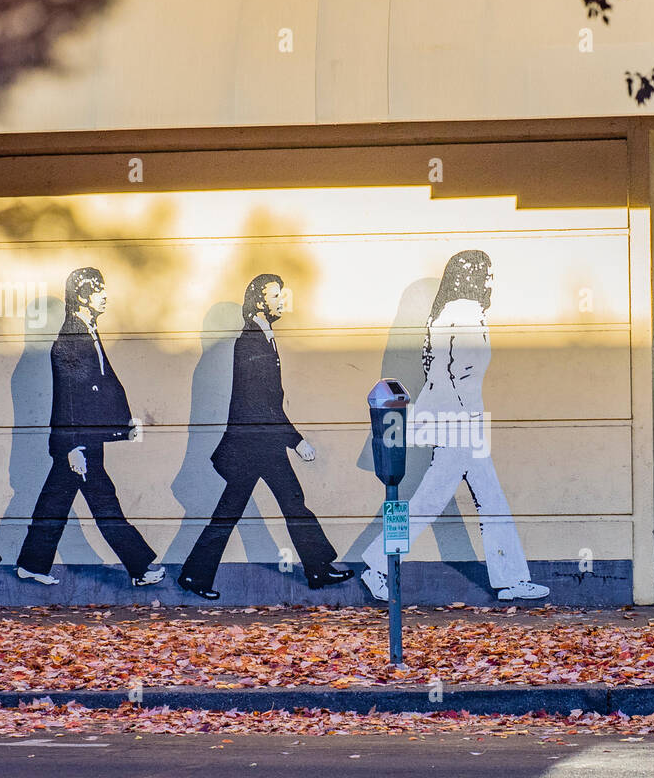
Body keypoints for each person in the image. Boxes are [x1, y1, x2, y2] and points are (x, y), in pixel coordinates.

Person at [360, 251, 548, 602]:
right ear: (472, 276)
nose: (491, 280)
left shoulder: (447, 311)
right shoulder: (466, 312)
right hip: (458, 421)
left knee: (485, 499)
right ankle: (376, 565)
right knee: (431, 503)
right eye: (487, 273)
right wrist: (467, 423)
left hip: (457, 418)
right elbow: (460, 371)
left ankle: (511, 580)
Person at [178, 274, 353, 599]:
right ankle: (194, 575)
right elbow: (259, 402)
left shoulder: (263, 338)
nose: (282, 300)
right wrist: (296, 440)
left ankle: (317, 568)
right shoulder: (250, 343)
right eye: (275, 295)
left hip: (262, 442)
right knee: (239, 511)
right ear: (259, 301)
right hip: (252, 445)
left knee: (289, 503)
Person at [15, 267, 164, 587]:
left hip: (84, 438)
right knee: (105, 505)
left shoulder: (86, 331)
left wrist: (123, 426)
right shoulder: (72, 336)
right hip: (79, 441)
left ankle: (31, 564)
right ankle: (139, 568)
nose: (105, 294)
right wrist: (72, 446)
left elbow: (102, 385)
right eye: (97, 289)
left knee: (53, 506)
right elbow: (69, 397)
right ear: (82, 297)